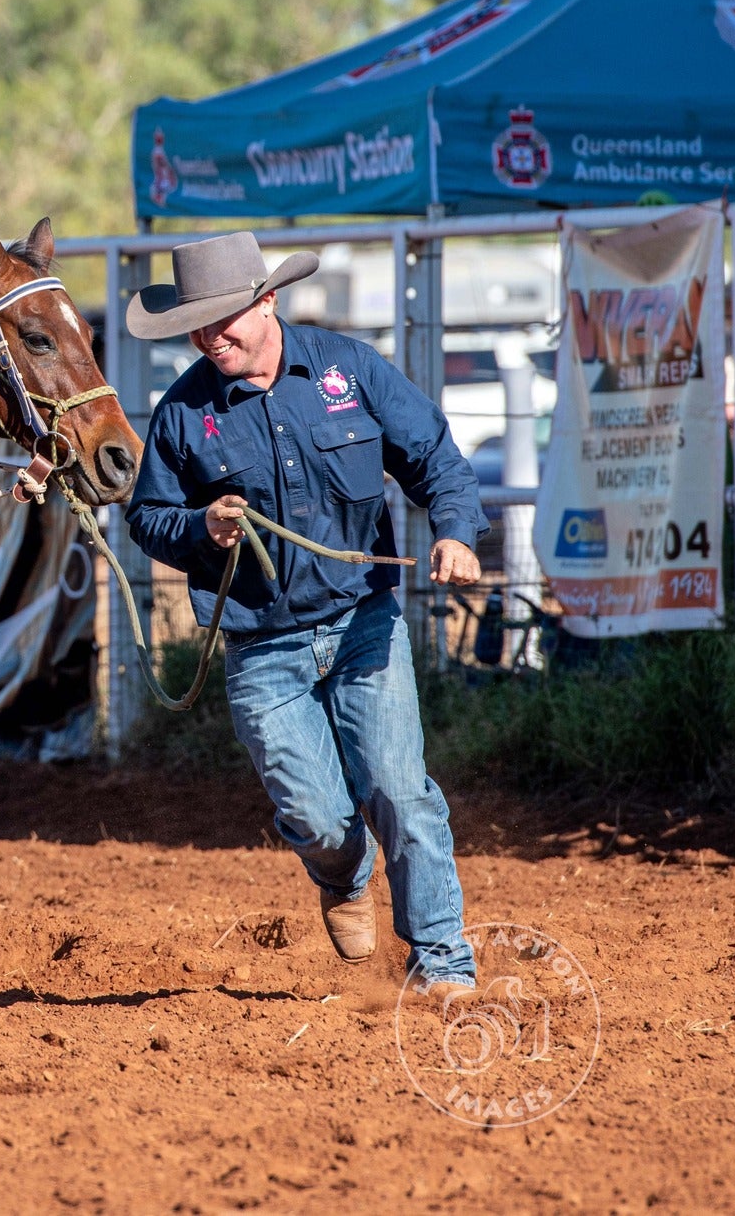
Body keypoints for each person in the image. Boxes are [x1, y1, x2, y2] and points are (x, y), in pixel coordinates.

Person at [123, 231, 491, 1008]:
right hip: (261, 648)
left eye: (222, 319)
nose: (208, 336)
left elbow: (433, 456)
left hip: (363, 624)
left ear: (268, 302)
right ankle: (344, 874)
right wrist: (200, 527)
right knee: (317, 818)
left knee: (400, 791)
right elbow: (148, 516)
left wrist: (455, 531)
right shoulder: (183, 411)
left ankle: (443, 964)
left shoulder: (347, 369)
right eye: (195, 325)